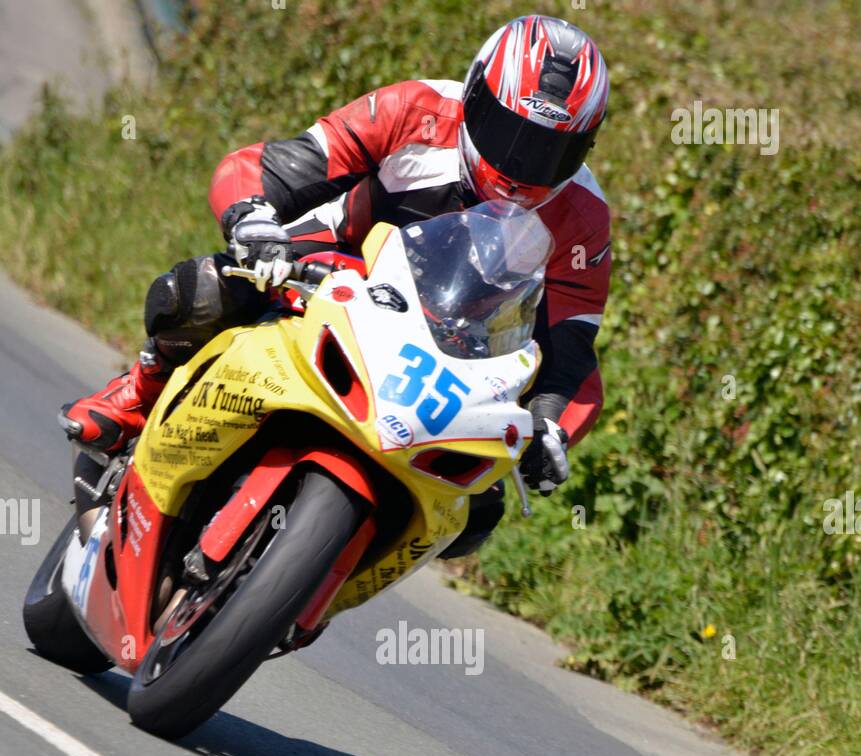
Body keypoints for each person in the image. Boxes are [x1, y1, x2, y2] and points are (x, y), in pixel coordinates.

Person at [62, 14, 610, 552]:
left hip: (447, 344)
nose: (521, 166)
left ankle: (326, 578)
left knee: (477, 505)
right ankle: (137, 391)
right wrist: (253, 217)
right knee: (205, 292)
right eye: (508, 133)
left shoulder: (583, 218)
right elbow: (279, 164)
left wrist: (549, 428)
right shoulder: (412, 109)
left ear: (582, 149)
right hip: (336, 263)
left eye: (549, 151)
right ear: (472, 96)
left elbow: (572, 352)